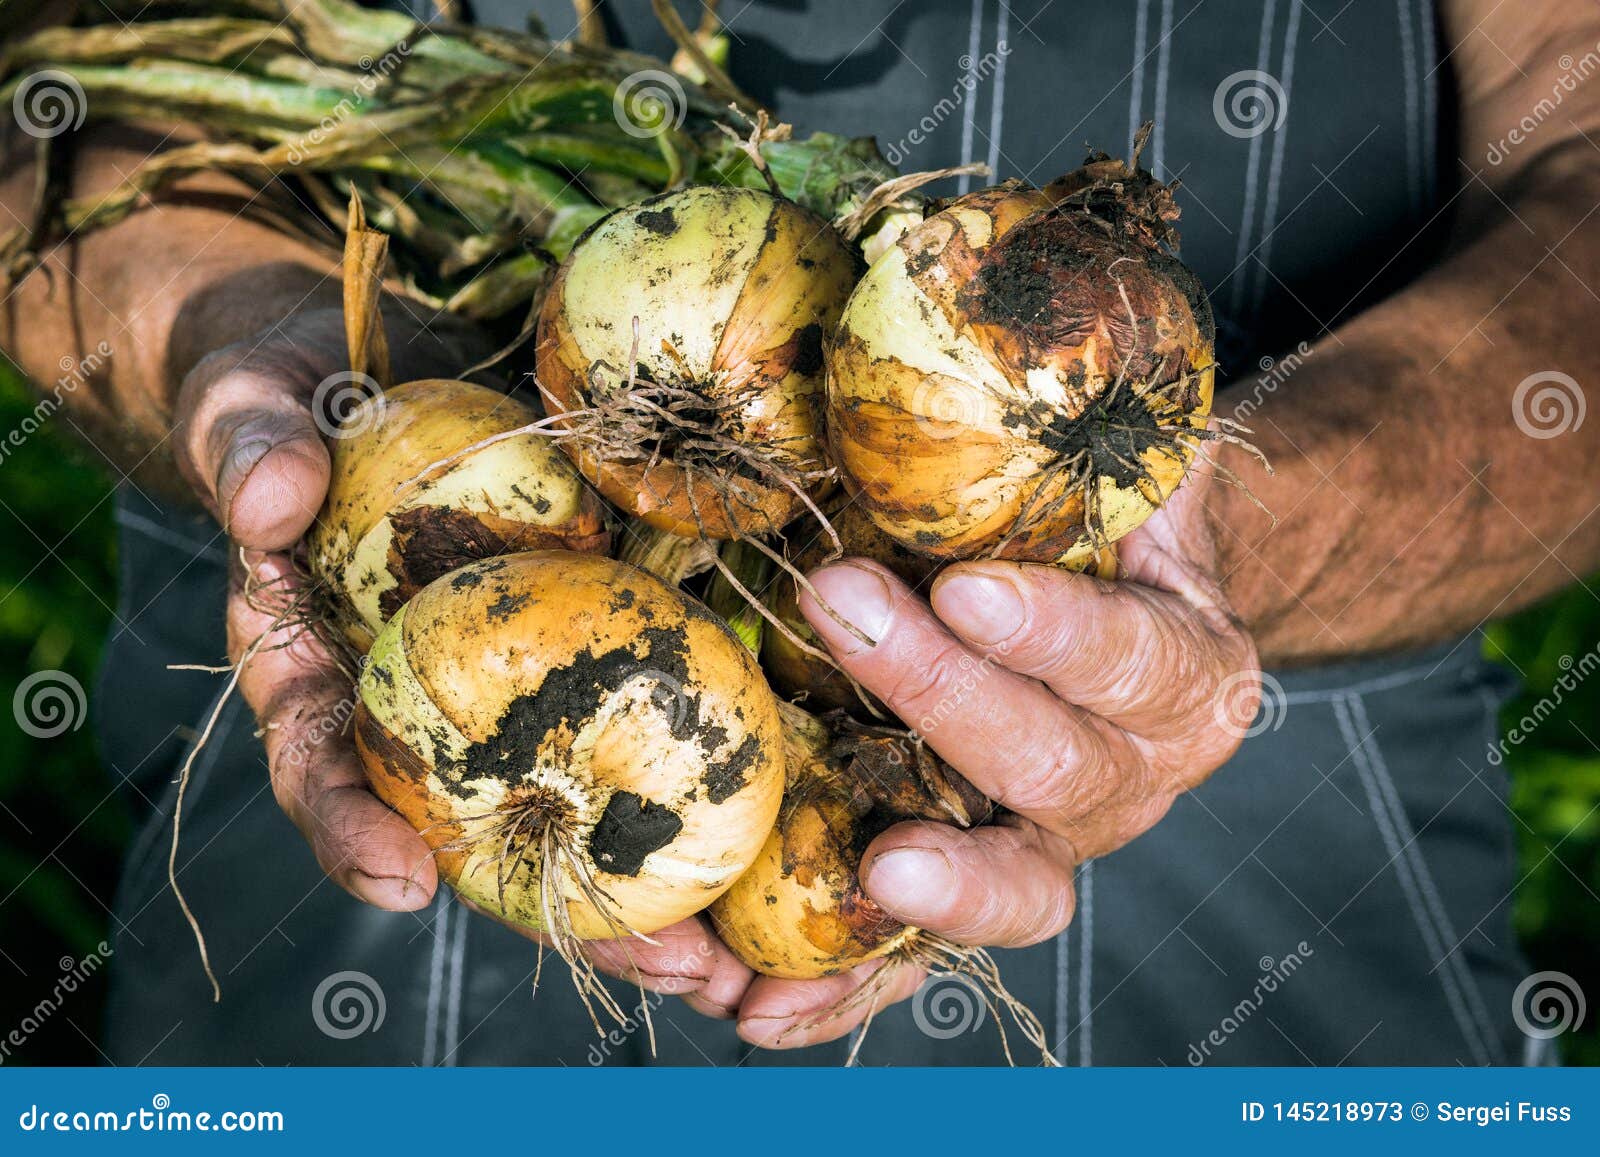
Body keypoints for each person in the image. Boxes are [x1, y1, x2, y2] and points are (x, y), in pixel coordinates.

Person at [2, 0, 1596, 1066]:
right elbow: (61, 107)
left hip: (1286, 888)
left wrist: (1229, 532)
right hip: (340, 861)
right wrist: (231, 327)